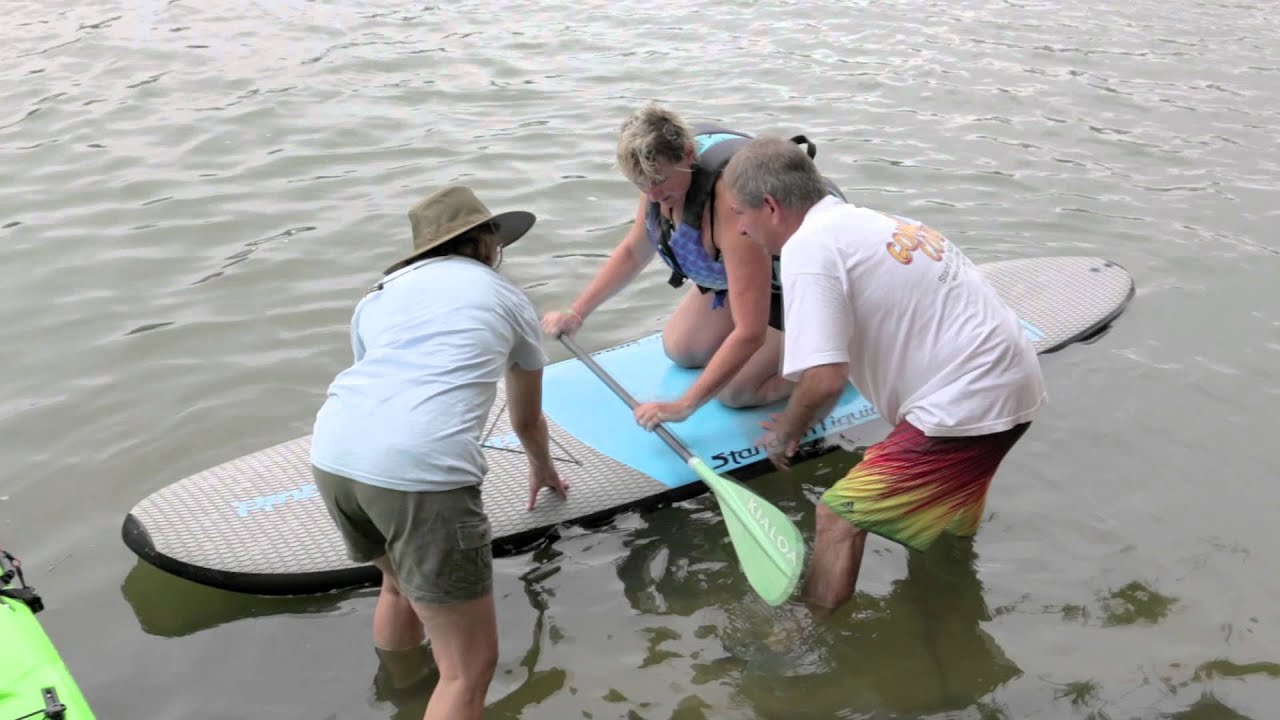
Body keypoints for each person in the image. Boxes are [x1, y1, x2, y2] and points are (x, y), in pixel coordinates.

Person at [720, 136, 1046, 616]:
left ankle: (811, 638)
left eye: (740, 214)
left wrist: (788, 430)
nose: (740, 230)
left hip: (964, 406)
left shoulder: (807, 250)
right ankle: (949, 606)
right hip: (1013, 386)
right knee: (949, 520)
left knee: (837, 515)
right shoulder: (873, 222)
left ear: (770, 206)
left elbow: (827, 377)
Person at [308, 185, 569, 720]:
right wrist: (542, 466)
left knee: (399, 586)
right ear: (482, 243)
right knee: (468, 672)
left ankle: (403, 696)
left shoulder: (377, 296)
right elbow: (524, 417)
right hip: (420, 474)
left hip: (332, 455)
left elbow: (379, 382)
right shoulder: (505, 296)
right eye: (495, 240)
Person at [541, 103, 846, 429]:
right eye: (642, 185)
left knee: (735, 392)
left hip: (799, 282)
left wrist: (684, 406)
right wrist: (577, 313)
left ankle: (831, 369)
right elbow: (633, 251)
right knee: (682, 349)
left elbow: (750, 332)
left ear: (688, 154)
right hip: (747, 276)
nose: (654, 195)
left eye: (659, 181)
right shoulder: (655, 182)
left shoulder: (732, 206)